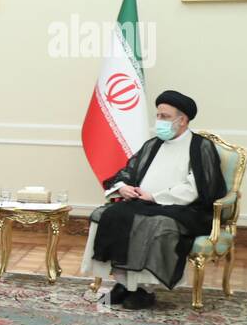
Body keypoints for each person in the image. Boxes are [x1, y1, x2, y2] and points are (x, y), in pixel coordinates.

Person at [81, 90, 226, 309]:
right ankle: (123, 283)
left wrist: (156, 197)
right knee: (107, 214)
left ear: (183, 120)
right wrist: (124, 187)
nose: (159, 121)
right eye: (158, 116)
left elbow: (198, 187)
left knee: (157, 223)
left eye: (165, 117)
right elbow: (128, 171)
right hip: (144, 202)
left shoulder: (200, 147)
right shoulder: (153, 144)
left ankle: (144, 290)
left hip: (185, 209)